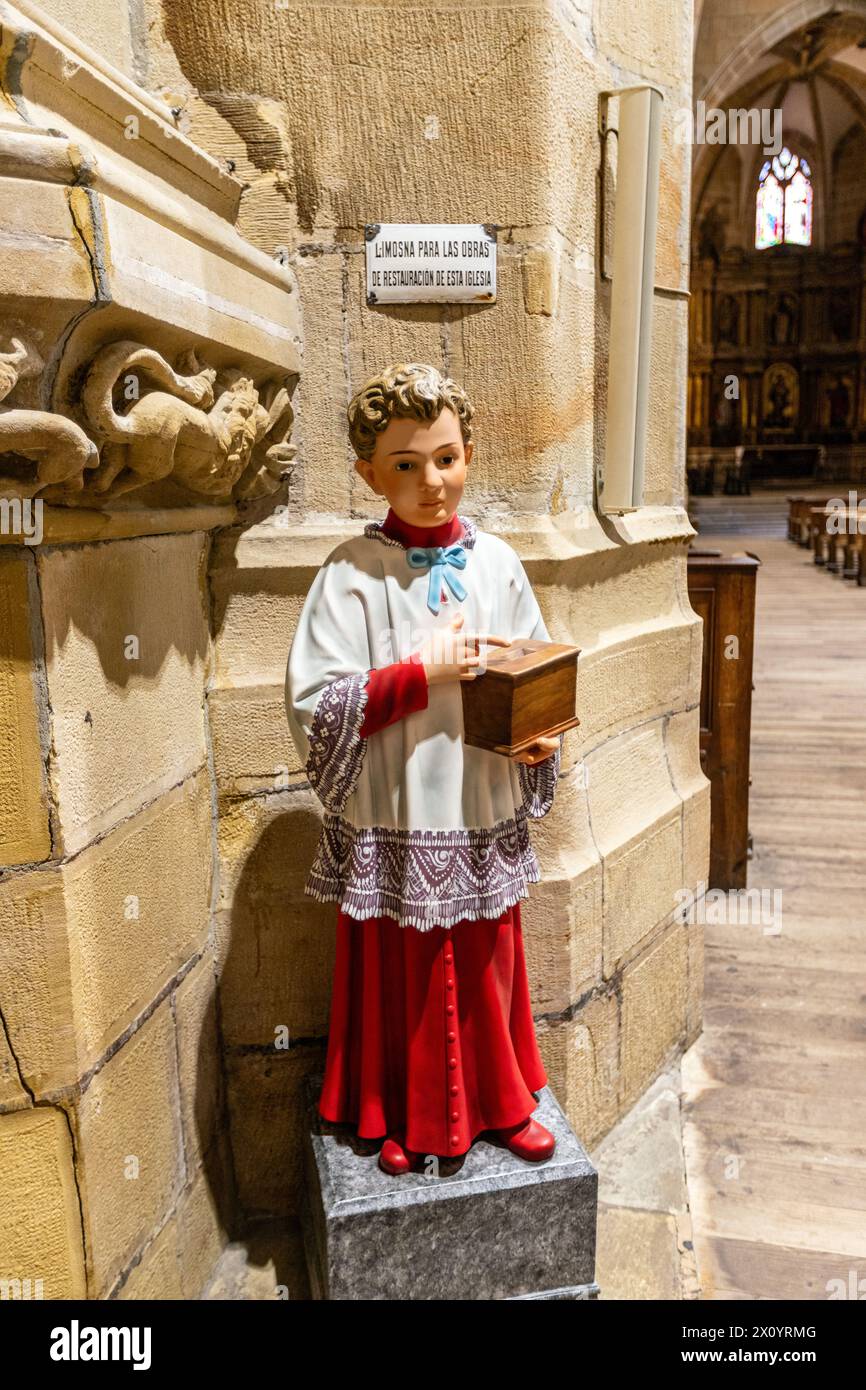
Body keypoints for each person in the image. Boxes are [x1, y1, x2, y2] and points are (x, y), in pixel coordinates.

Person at [284, 362, 564, 1175]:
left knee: (485, 960)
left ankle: (503, 1104)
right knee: (398, 970)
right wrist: (423, 672)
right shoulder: (348, 572)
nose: (430, 482)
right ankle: (399, 1110)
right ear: (370, 473)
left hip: (477, 799)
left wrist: (539, 734)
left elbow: (534, 669)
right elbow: (316, 704)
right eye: (405, 465)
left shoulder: (498, 562)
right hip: (396, 806)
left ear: (470, 453)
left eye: (445, 458)